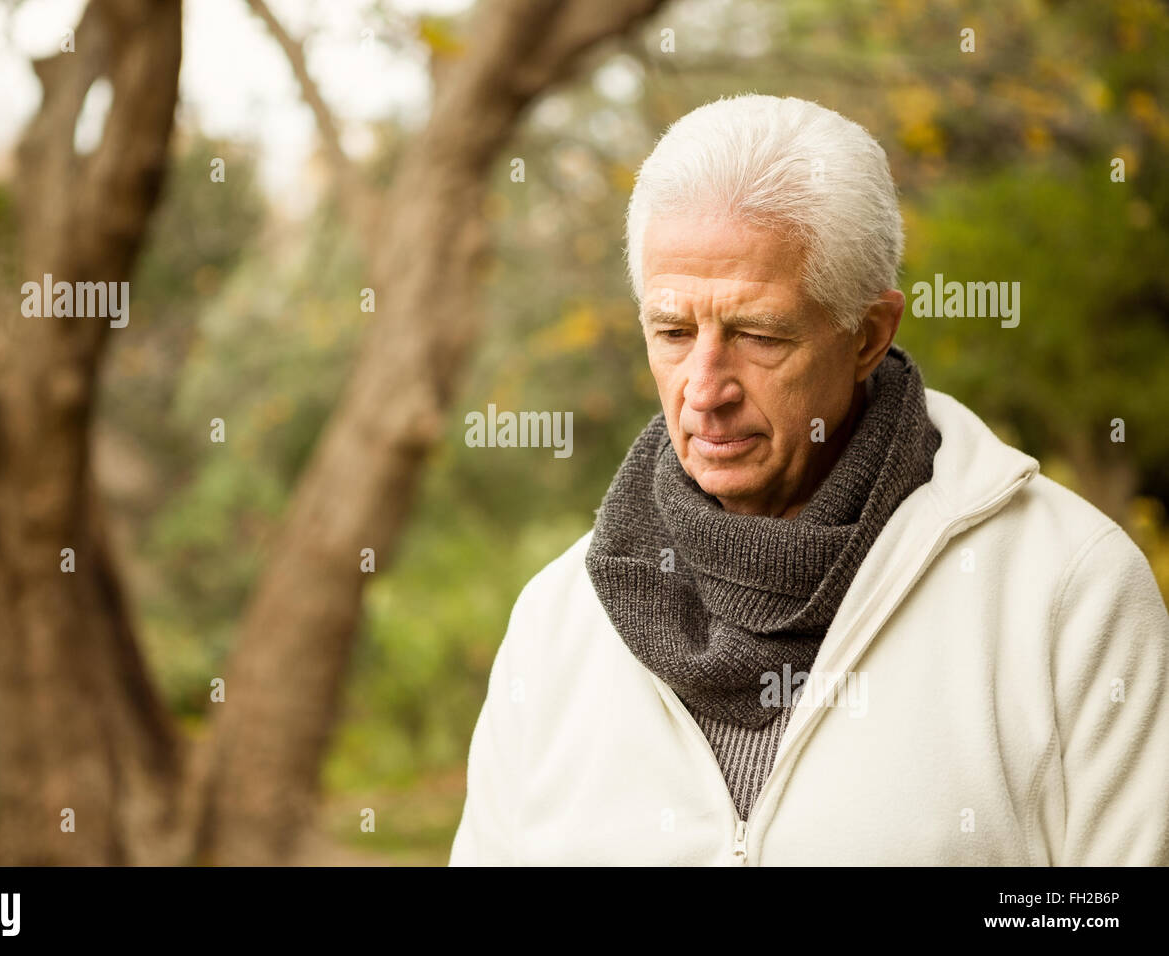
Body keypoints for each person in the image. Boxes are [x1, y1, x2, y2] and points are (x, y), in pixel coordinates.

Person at [448, 94, 1169, 866]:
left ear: (867, 335)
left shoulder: (1070, 590)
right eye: (673, 332)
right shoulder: (559, 619)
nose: (704, 387)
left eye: (757, 335)